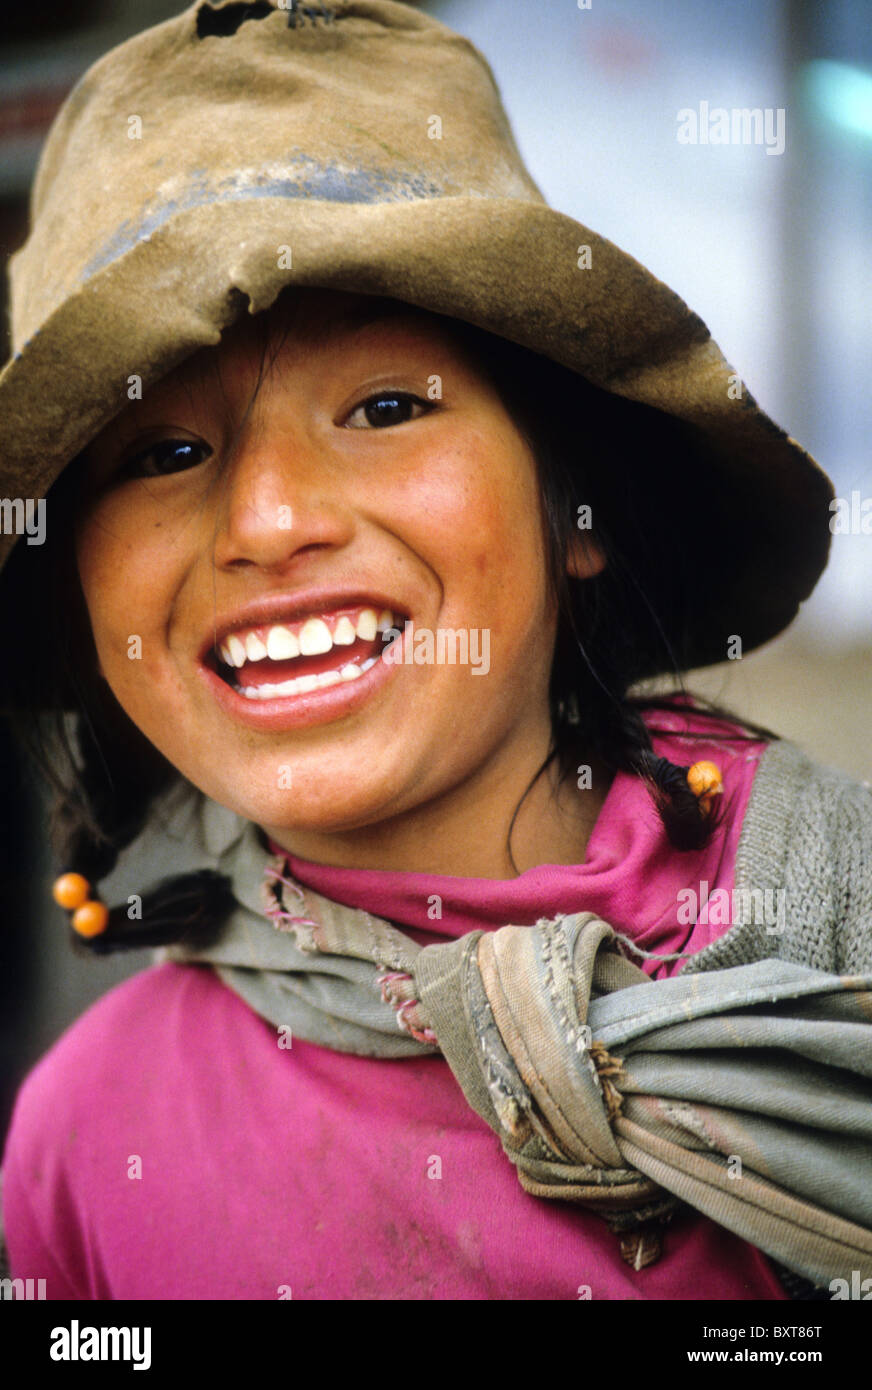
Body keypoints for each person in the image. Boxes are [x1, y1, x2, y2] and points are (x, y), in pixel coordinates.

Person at [0, 0, 869, 1301]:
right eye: (165, 452)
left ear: (575, 512)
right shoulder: (85, 1143)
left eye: (389, 406)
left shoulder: (840, 950)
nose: (272, 517)